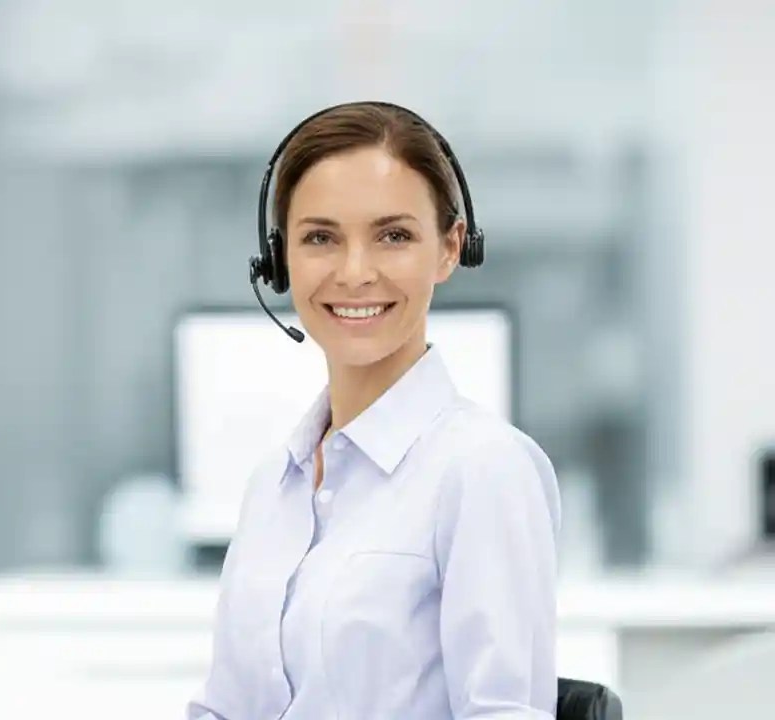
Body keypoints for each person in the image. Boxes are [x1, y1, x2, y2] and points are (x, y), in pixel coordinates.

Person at [187, 102, 561, 719]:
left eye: (393, 236)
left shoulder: (482, 470)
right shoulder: (272, 486)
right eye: (320, 238)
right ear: (280, 261)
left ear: (449, 250)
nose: (355, 273)